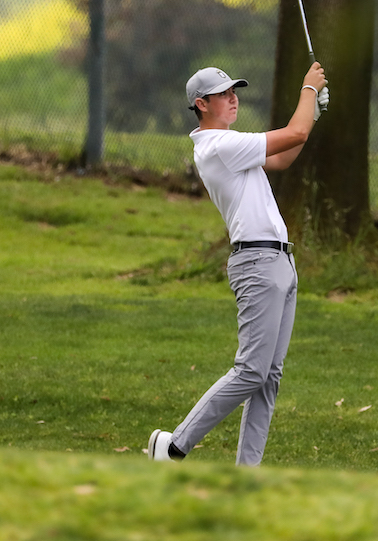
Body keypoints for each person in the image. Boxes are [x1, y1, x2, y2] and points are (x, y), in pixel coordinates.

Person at [147, 61, 328, 466]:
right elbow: (294, 133)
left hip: (278, 260)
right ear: (201, 104)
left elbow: (283, 156)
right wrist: (309, 90)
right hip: (258, 262)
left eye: (234, 92)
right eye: (224, 94)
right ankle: (173, 446)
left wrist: (312, 112)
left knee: (269, 376)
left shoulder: (230, 145)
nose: (233, 99)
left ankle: (247, 472)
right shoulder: (217, 146)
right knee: (251, 370)